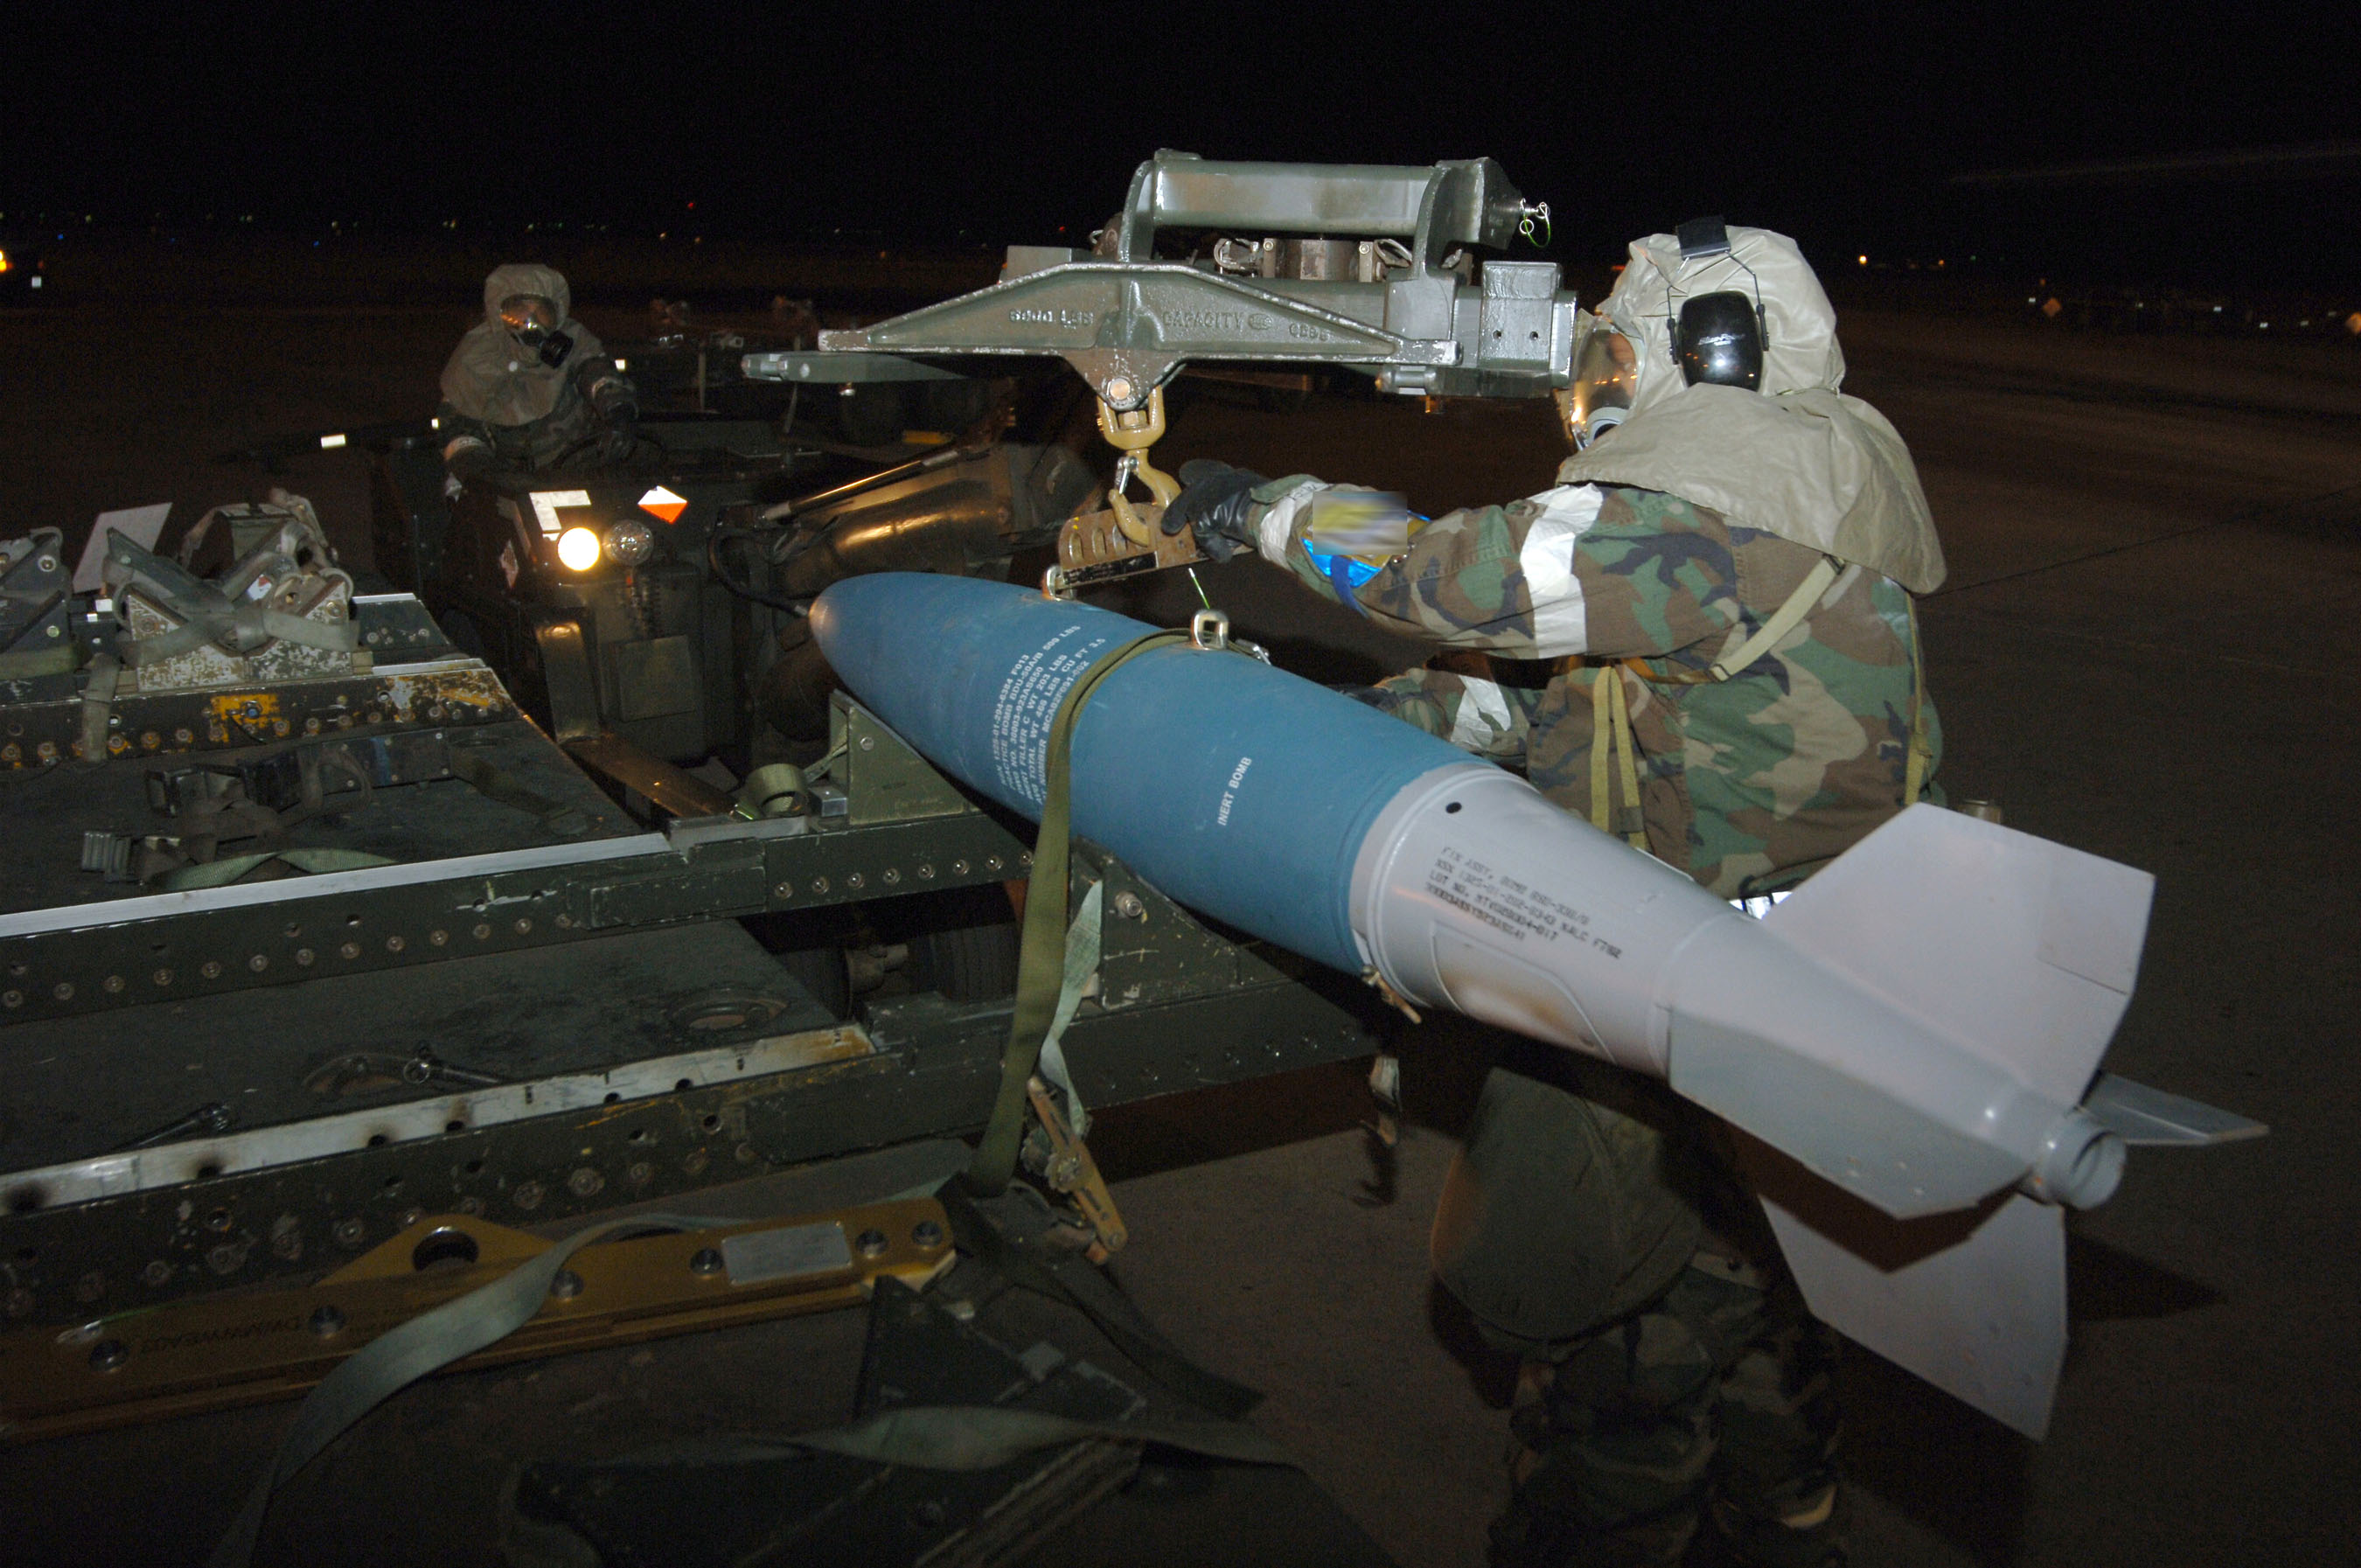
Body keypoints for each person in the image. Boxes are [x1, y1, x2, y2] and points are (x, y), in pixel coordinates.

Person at [1164, 222, 1947, 1567]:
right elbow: (1587, 702)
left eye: (1618, 352)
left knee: (1622, 1345)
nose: (1598, 384)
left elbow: (1445, 578)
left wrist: (1262, 510)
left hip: (1702, 1013)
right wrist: (1355, 720)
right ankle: (1785, 1515)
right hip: (1819, 985)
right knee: (1771, 1296)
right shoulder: (1813, 475)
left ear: (1704, 351)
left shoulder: (1701, 515)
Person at [437, 263, 639, 484]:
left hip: (575, 470)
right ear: (498, 313)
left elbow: (598, 373)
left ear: (557, 315)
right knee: (460, 491)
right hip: (503, 478)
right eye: (520, 314)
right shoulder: (476, 356)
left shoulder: (573, 341)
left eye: (542, 314)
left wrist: (619, 412)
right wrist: (478, 467)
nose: (531, 326)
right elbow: (457, 428)